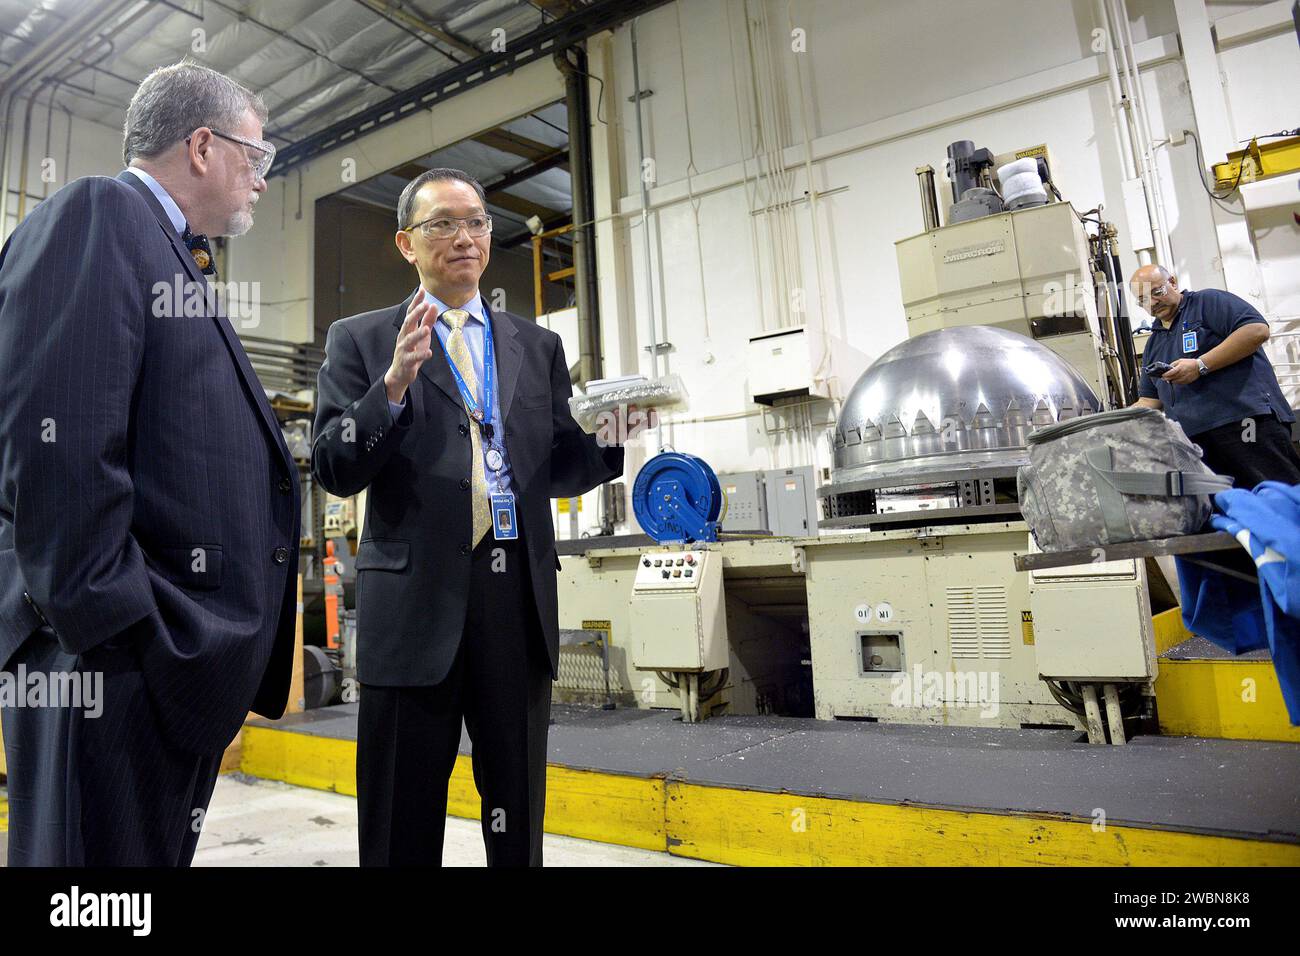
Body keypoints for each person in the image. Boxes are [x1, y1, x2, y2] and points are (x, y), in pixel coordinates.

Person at [0, 62, 300, 866]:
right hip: (112, 667)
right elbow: (58, 443)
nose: (262, 181)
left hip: (149, 671)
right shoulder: (101, 214)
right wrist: (127, 631)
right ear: (202, 146)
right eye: (256, 157)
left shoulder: (172, 254)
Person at [312, 167, 645, 866]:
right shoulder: (364, 340)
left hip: (512, 601)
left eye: (476, 223)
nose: (463, 237)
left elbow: (555, 466)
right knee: (402, 808)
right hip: (413, 603)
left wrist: (612, 436)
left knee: (515, 810)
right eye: (443, 224)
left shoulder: (536, 346)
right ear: (406, 242)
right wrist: (393, 386)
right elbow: (335, 467)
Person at [1131, 264, 1300, 488]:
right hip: (1196, 446)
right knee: (1232, 513)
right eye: (1143, 299)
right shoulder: (1154, 343)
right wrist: (1106, 422)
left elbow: (1256, 330)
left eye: (1156, 292)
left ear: (1172, 283)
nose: (1151, 303)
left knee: (1280, 498)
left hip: (1246, 425)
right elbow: (1149, 401)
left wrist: (1200, 365)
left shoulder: (1207, 303)